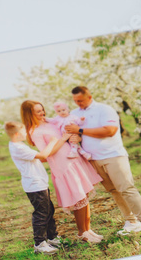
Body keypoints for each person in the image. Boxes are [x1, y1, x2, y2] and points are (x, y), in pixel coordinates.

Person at [65, 86, 141, 236]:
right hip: (93, 159)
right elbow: (70, 132)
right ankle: (132, 222)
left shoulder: (104, 109)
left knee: (127, 189)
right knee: (114, 191)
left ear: (89, 96)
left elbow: (110, 131)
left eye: (80, 100)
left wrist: (79, 130)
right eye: (75, 101)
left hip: (113, 156)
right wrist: (76, 137)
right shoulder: (74, 114)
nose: (78, 103)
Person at [21, 100, 104, 243]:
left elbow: (67, 131)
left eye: (42, 109)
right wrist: (63, 139)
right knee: (79, 198)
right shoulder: (34, 131)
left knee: (84, 195)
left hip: (74, 160)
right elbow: (46, 154)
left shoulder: (51, 123)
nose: (42, 113)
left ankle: (88, 229)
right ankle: (82, 232)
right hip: (63, 166)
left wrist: (74, 137)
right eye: (38, 111)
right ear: (30, 114)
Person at [5, 121, 60, 254]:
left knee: (48, 210)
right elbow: (42, 156)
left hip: (39, 182)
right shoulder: (18, 148)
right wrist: (53, 142)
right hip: (34, 184)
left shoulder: (18, 144)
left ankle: (52, 238)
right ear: (17, 134)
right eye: (24, 131)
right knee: (41, 213)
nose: (26, 134)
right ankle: (39, 243)